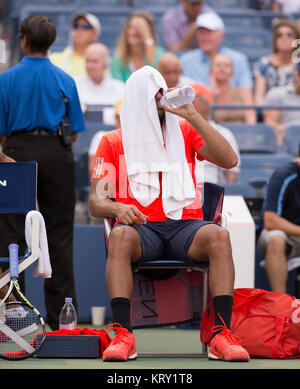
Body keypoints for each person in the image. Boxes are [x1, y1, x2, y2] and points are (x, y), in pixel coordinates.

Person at [89, 65, 250, 362]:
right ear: (138, 99)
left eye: (162, 93)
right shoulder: (112, 141)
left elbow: (229, 160)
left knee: (220, 236)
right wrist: (117, 207)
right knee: (120, 236)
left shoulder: (185, 131)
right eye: (154, 96)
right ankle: (124, 334)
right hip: (141, 230)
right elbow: (96, 203)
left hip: (185, 227)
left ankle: (221, 333)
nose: (161, 100)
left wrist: (192, 115)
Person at [0, 15, 86, 331]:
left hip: (16, 155)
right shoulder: (65, 79)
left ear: (23, 39)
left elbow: (0, 131)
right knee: (60, 234)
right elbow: (75, 131)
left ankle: (12, 315)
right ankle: (63, 318)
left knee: (9, 235)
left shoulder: (6, 79)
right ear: (50, 42)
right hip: (57, 155)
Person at [179, 13, 254, 97]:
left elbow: (247, 101)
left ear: (221, 36)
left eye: (209, 32)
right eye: (201, 32)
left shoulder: (239, 60)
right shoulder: (185, 61)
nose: (204, 37)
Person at [257, 156, 300, 294]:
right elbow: (271, 220)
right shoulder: (283, 176)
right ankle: (280, 301)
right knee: (276, 239)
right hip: (282, 232)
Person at [191, 83, 241, 184]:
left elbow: (232, 173)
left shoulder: (223, 133)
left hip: (212, 187)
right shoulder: (178, 128)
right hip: (183, 188)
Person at [75, 43, 125, 125]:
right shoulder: (74, 85)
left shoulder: (120, 88)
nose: (90, 66)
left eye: (95, 61)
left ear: (106, 65)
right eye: (87, 61)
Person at [110, 11, 165, 83]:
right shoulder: (118, 58)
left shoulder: (159, 53)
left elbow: (157, 73)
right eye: (130, 27)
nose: (133, 32)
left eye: (139, 28)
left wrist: (147, 36)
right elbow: (118, 86)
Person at [254, 19, 299, 105]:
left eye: (289, 35)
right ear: (275, 41)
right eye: (279, 35)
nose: (284, 38)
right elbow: (259, 99)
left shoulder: (299, 64)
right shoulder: (264, 64)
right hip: (270, 110)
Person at [49, 12, 101, 78]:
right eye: (76, 26)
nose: (79, 29)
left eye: (86, 26)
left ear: (95, 36)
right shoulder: (53, 59)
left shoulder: (104, 63)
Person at [210, 53, 257, 124]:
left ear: (232, 72)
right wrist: (213, 95)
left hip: (241, 132)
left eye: (226, 66)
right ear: (211, 70)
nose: (222, 69)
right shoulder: (206, 94)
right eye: (218, 65)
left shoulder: (242, 93)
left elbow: (251, 120)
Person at [263, 61, 300, 145]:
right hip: (287, 143)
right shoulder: (277, 94)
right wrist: (279, 128)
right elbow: (270, 122)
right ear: (297, 74)